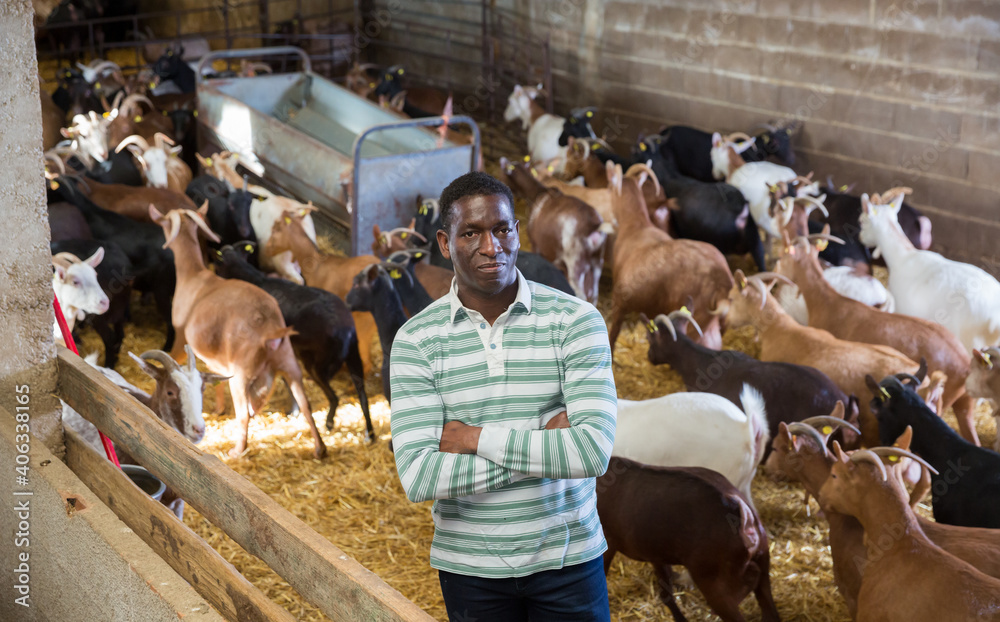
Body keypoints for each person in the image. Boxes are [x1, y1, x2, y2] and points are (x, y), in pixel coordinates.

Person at [389, 171, 618, 622]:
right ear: (444, 242)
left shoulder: (577, 322)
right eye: (471, 232)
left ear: (517, 231)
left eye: (502, 229)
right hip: (470, 570)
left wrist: (475, 439)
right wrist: (542, 440)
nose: (492, 247)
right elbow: (419, 475)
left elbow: (591, 452)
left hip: (569, 559)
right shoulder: (416, 340)